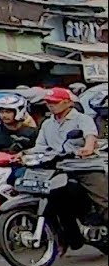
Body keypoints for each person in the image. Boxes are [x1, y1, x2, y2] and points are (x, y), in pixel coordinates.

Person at [34, 87, 106, 248]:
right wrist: (21, 154)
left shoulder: (82, 119)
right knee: (54, 200)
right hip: (59, 168)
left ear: (68, 103)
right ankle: (68, 238)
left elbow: (90, 136)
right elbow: (39, 147)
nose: (50, 105)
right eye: (48, 102)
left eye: (55, 102)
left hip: (85, 166)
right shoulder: (47, 124)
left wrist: (87, 148)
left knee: (103, 201)